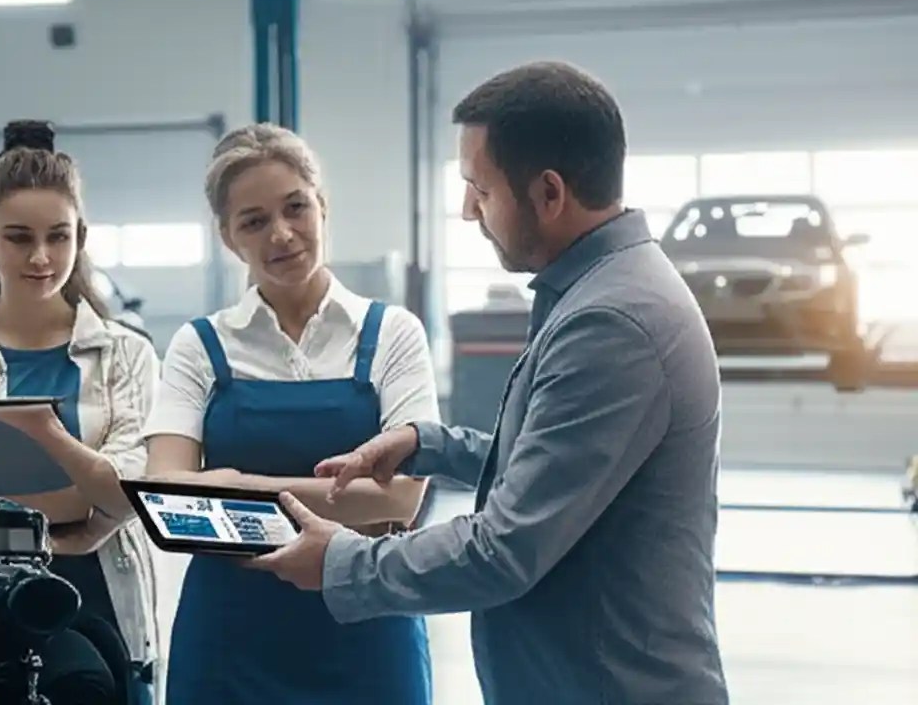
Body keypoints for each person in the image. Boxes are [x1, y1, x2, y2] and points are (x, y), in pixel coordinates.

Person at [250, 61, 730, 705]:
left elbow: (505, 549)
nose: (467, 208)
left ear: (549, 193)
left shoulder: (613, 322)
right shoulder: (606, 289)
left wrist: (342, 562)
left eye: (479, 187)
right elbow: (561, 468)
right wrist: (432, 444)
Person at [141, 123, 441, 705]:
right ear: (229, 238)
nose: (281, 234)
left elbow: (402, 498)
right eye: (253, 221)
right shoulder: (200, 346)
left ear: (322, 207)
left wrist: (241, 486)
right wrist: (348, 498)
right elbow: (168, 493)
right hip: (230, 635)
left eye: (295, 208)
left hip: (368, 626)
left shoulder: (393, 334)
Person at [0, 121, 160, 705]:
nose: (41, 257)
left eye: (58, 236)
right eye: (19, 237)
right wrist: (79, 512)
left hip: (105, 598)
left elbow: (134, 489)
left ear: (81, 234)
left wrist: (47, 442)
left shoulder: (127, 354)